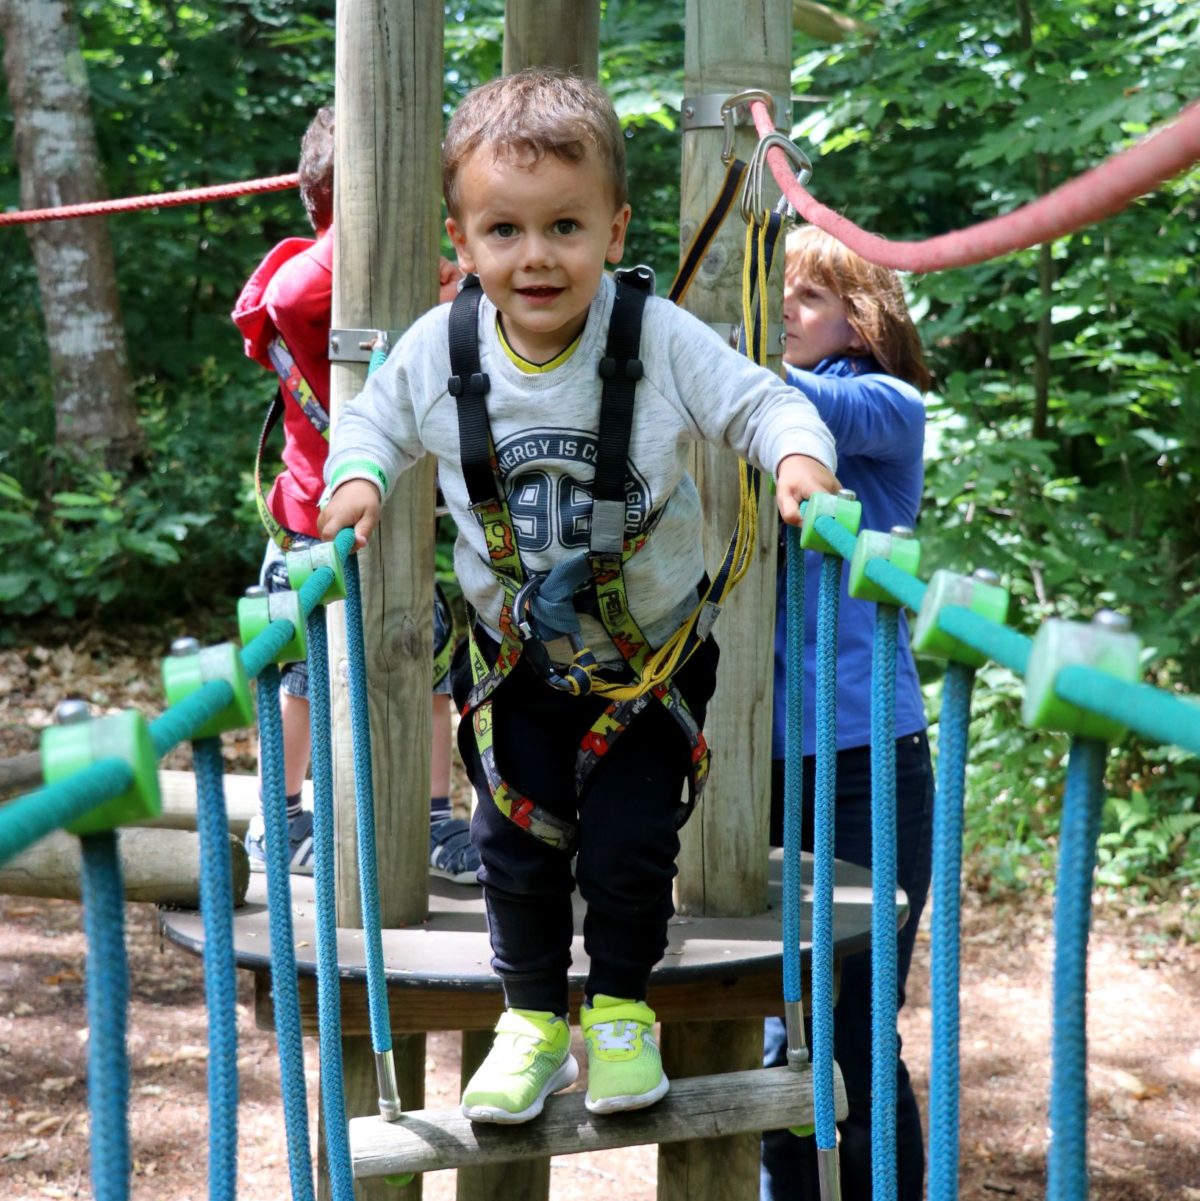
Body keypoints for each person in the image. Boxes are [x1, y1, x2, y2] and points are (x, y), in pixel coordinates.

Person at [318, 68, 839, 1126]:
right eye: (503, 230)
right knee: (514, 843)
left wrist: (800, 461)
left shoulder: (652, 337)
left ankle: (620, 1011)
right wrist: (359, 479)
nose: (536, 256)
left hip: (651, 663)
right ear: (462, 241)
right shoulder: (442, 349)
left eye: (565, 225)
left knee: (628, 844)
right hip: (516, 660)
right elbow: (371, 422)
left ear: (615, 228)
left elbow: (760, 403)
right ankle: (530, 1020)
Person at [231, 106, 476, 883]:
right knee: (303, 675)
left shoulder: (389, 281)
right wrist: (416, 268)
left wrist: (447, 284)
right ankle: (278, 818)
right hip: (315, 520)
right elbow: (303, 299)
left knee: (423, 658)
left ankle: (433, 816)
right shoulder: (311, 280)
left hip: (392, 522)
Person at [761, 226, 934, 1201]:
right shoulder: (752, 417)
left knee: (857, 1030)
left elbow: (799, 401)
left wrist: (704, 345)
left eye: (808, 295)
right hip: (760, 766)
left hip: (869, 762)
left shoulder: (887, 408)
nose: (783, 308)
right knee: (781, 1030)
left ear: (860, 321)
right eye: (774, 290)